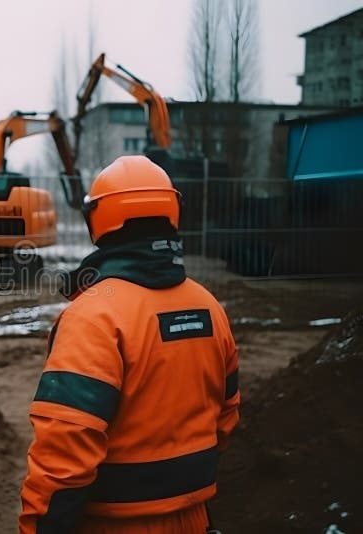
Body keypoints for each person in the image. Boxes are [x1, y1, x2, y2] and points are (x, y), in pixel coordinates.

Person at [19, 155, 240, 534]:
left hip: (113, 524)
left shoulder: (92, 316)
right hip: (196, 518)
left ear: (98, 220)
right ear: (173, 212)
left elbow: (64, 456)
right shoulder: (209, 307)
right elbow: (226, 416)